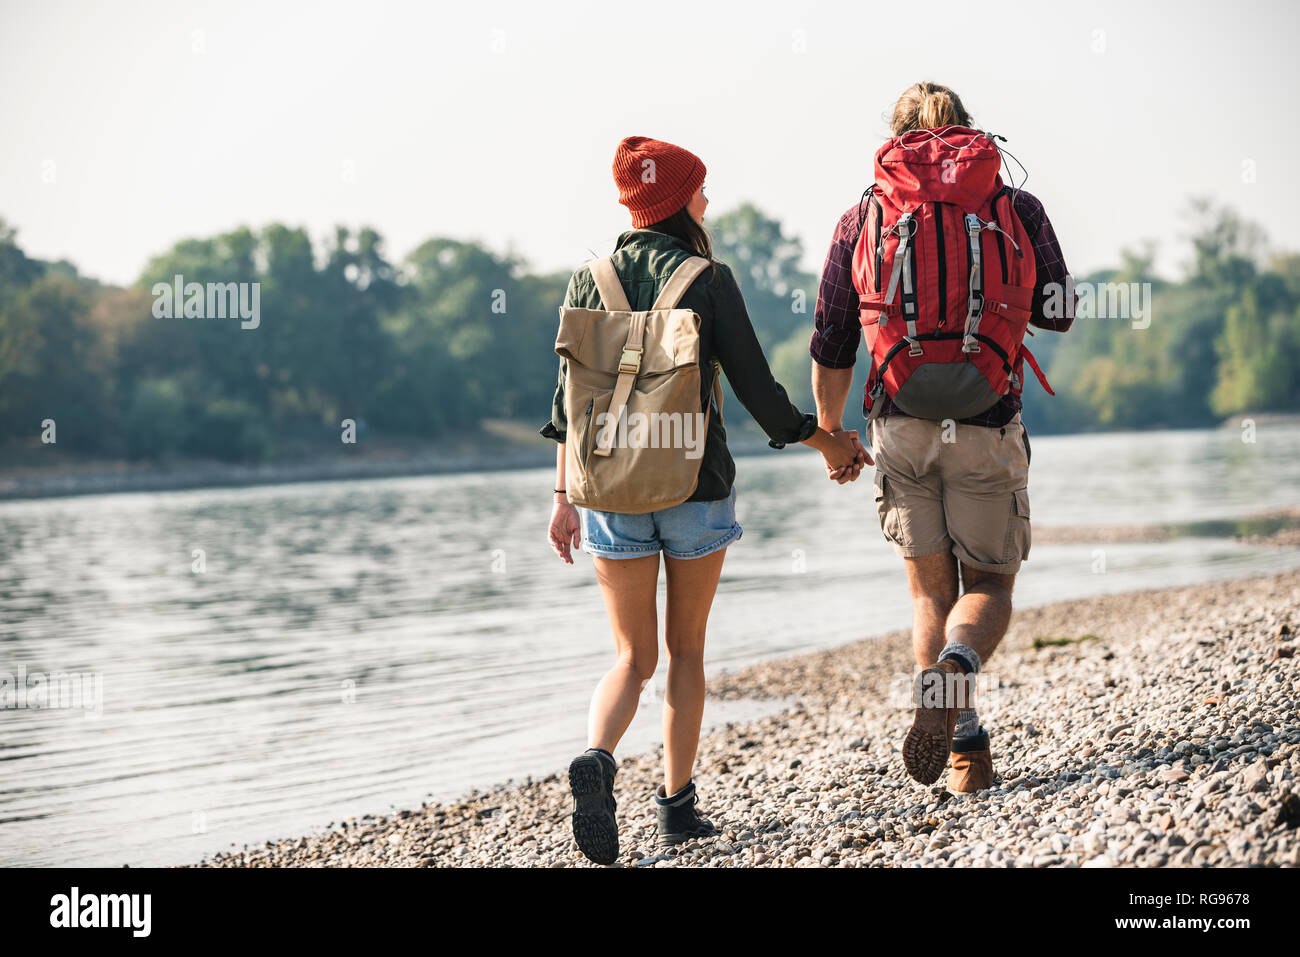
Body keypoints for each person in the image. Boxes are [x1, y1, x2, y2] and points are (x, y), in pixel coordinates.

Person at [543, 135, 860, 864]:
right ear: (678, 200)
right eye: (700, 189)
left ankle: (597, 754)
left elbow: (565, 403)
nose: (707, 200)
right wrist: (827, 442)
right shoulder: (708, 279)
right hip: (695, 487)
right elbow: (758, 393)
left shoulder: (586, 281)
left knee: (631, 655)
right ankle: (678, 808)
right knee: (686, 650)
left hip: (608, 490)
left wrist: (562, 496)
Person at [810, 82, 1076, 793]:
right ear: (969, 133)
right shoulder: (1013, 205)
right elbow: (1062, 311)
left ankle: (964, 743)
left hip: (899, 421)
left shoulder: (862, 215)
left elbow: (833, 338)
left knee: (929, 594)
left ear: (895, 139)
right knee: (988, 583)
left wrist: (832, 431)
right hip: (987, 418)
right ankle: (958, 670)